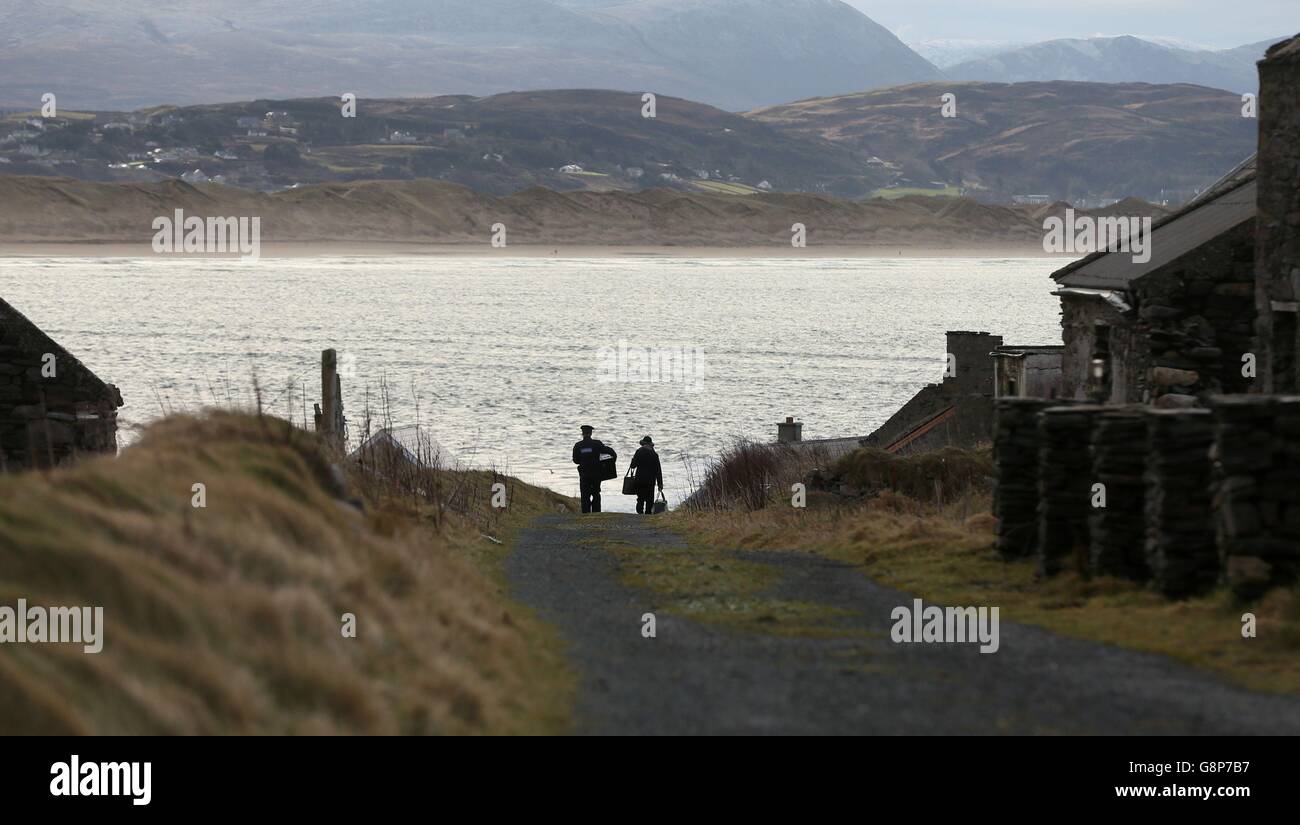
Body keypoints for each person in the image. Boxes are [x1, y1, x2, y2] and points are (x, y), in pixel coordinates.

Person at [572, 425, 615, 513]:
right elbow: (611, 452)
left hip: (584, 474)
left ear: (582, 433)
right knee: (596, 493)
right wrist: (610, 461)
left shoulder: (578, 445)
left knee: (585, 494)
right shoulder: (597, 444)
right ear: (591, 433)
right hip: (596, 473)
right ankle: (596, 512)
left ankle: (585, 513)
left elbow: (576, 461)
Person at [628, 435, 664, 515]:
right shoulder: (654, 454)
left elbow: (633, 466)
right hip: (650, 481)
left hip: (639, 479)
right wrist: (660, 483)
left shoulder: (639, 451)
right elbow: (658, 470)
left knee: (640, 498)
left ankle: (640, 513)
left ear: (643, 443)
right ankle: (648, 515)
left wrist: (633, 460)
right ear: (650, 444)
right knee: (649, 499)